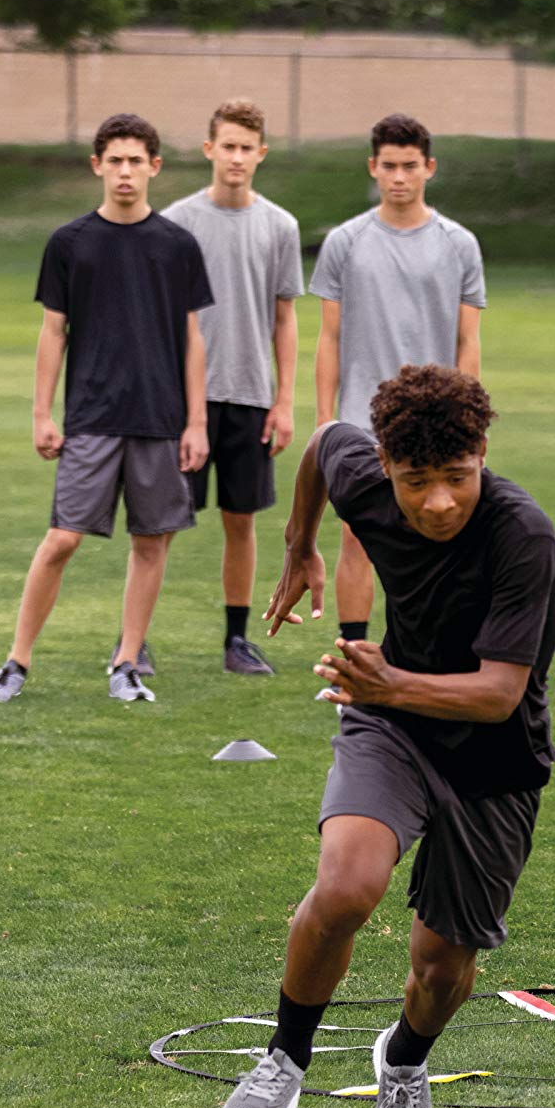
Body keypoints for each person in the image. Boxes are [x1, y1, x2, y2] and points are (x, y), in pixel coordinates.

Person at [211, 366, 555, 1108]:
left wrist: (387, 679)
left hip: (493, 759)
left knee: (441, 968)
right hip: (393, 727)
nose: (438, 501)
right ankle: (283, 1062)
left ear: (482, 456)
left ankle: (402, 1060)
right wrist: (300, 546)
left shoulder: (521, 535)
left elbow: (500, 694)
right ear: (386, 466)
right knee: (346, 886)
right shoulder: (359, 471)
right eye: (415, 482)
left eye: (457, 478)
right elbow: (321, 445)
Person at [0, 113, 210, 705]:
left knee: (152, 541)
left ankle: (127, 663)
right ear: (97, 165)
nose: (125, 171)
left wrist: (197, 421)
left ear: (154, 167)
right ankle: (14, 664)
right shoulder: (69, 243)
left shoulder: (177, 245)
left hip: (159, 419)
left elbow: (192, 338)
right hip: (91, 418)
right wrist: (41, 414)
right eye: (115, 160)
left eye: (137, 161)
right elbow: (53, 333)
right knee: (61, 541)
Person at [310, 113, 487, 655]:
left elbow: (468, 342)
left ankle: (430, 652)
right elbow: (329, 338)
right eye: (389, 166)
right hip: (363, 419)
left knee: (439, 533)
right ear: (373, 167)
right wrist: (325, 424)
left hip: (435, 422)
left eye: (410, 166)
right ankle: (354, 655)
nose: (399, 177)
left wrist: (467, 422)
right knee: (356, 535)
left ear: (429, 168)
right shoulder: (345, 241)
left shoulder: (459, 244)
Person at [160, 97, 303, 675]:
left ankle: (237, 641)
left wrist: (285, 401)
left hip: (251, 398)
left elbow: (285, 319)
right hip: (183, 402)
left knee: (240, 521)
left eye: (247, 148)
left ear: (260, 154)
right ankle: (133, 641)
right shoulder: (175, 224)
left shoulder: (280, 226)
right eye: (228, 147)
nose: (237, 157)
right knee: (160, 523)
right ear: (208, 150)